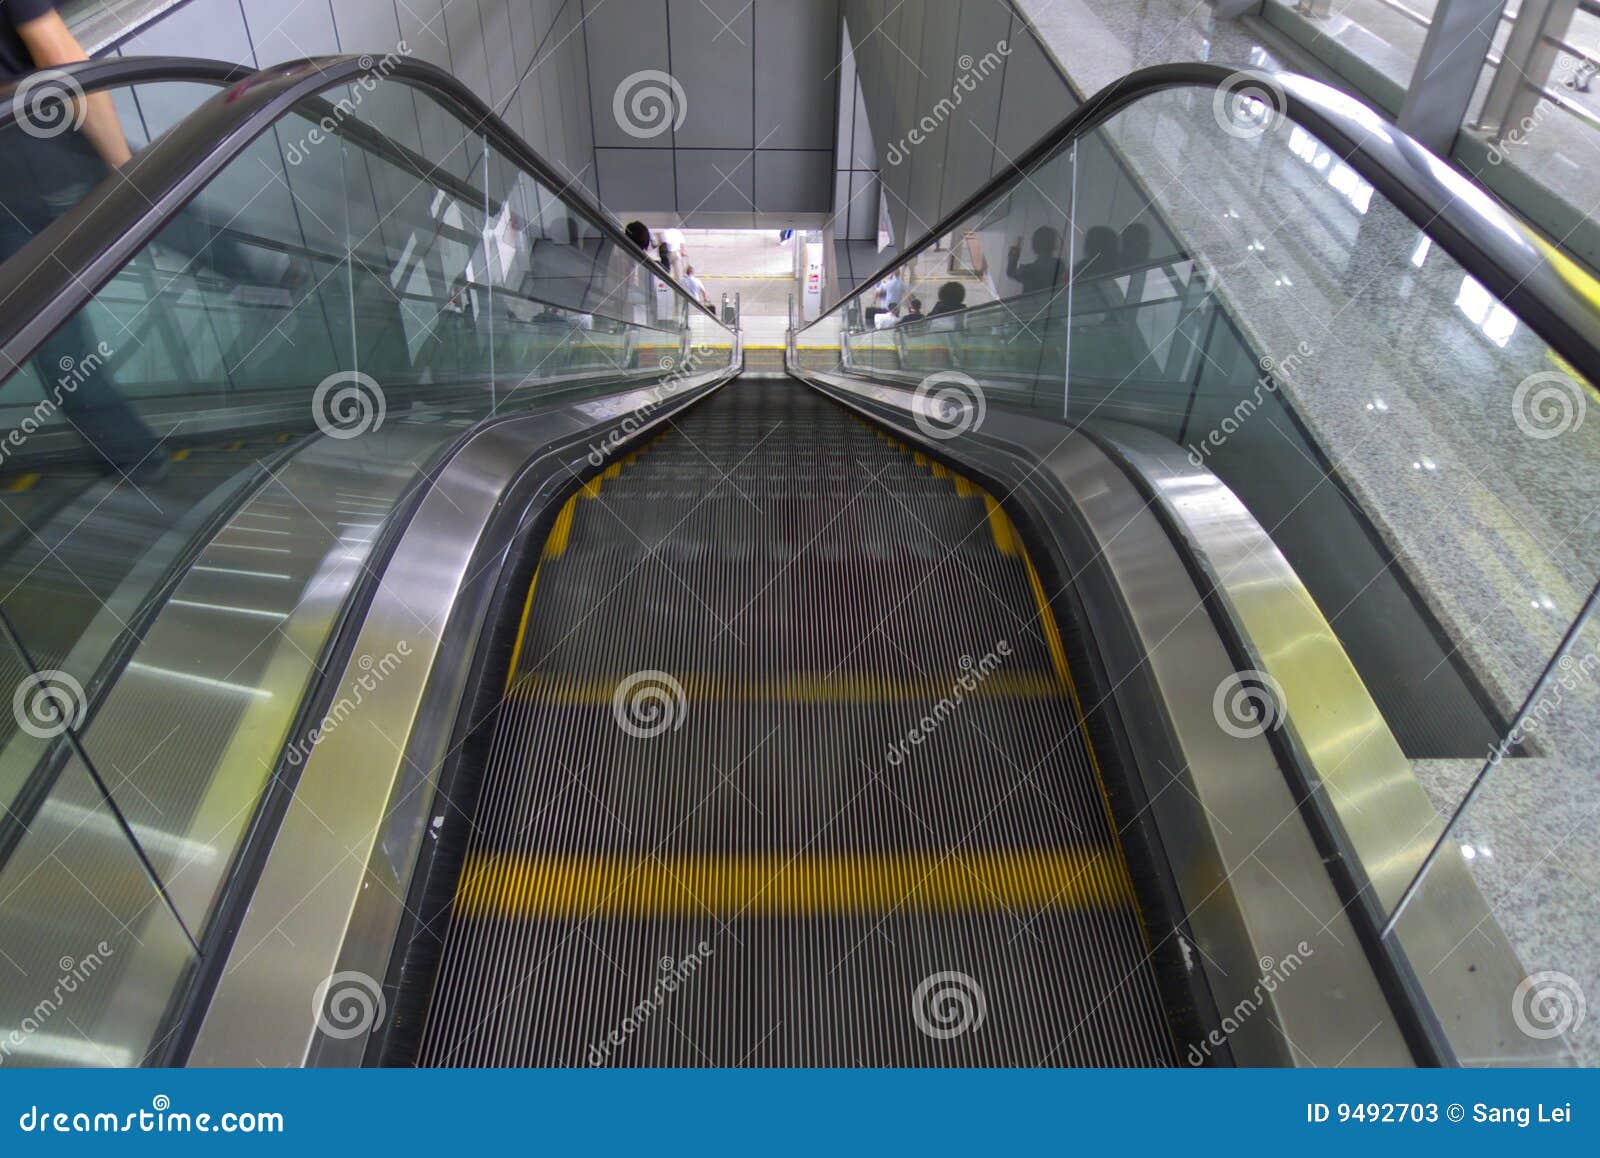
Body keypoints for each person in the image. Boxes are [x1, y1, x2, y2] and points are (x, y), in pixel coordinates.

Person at [0, 0, 168, 479]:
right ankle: (266, 273)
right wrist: (124, 173)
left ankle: (136, 461)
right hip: (52, 155)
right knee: (170, 192)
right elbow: (64, 63)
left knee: (51, 331)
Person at [1006, 225, 1065, 296]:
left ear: (1034, 246)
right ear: (1053, 244)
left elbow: (1010, 272)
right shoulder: (1060, 265)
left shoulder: (1029, 270)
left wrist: (1014, 253)